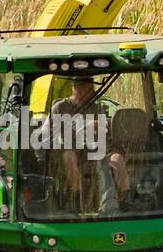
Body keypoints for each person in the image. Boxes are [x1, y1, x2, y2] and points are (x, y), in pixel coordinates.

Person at [50, 77, 130, 215]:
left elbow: (104, 133)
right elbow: (56, 133)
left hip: (98, 147)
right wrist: (84, 125)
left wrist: (105, 127)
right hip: (72, 149)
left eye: (90, 91)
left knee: (118, 159)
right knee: (69, 157)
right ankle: (76, 201)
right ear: (76, 90)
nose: (91, 94)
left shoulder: (96, 107)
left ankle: (125, 200)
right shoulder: (60, 107)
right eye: (86, 91)